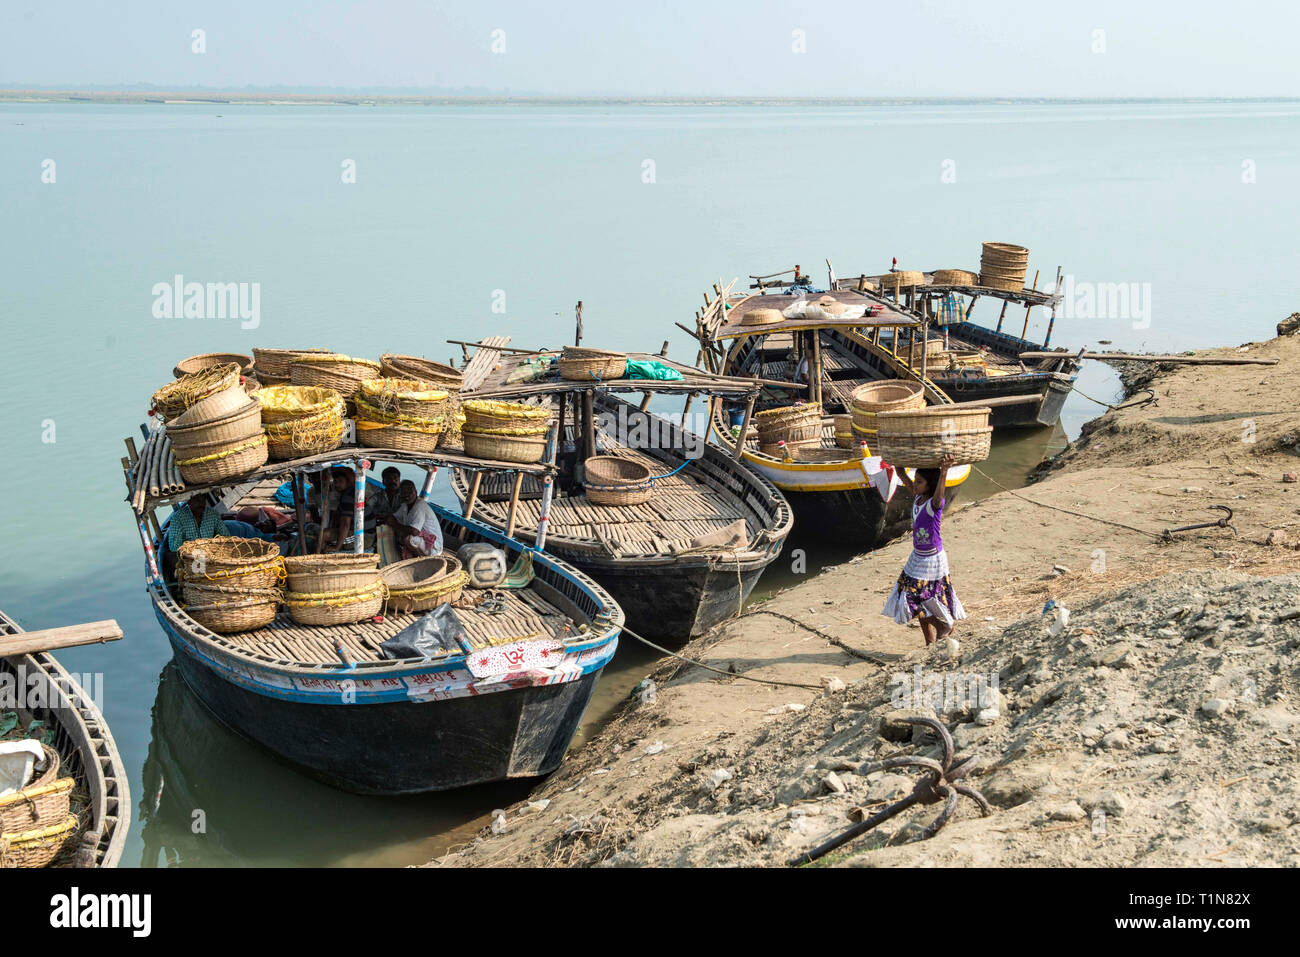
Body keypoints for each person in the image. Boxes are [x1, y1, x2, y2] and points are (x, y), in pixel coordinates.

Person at [881, 453, 966, 646]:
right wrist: (896, 457)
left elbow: (940, 494)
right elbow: (901, 473)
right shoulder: (918, 497)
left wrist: (944, 471)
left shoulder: (934, 504)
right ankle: (930, 643)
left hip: (932, 559)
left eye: (919, 482)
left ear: (930, 485)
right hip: (917, 557)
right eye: (916, 481)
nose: (915, 484)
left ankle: (943, 626)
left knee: (914, 599)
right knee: (919, 601)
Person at [386, 479, 443, 558]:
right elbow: (393, 517)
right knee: (398, 533)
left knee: (409, 538)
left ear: (415, 492)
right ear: (400, 494)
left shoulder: (419, 506)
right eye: (404, 493)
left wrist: (395, 524)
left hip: (433, 547)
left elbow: (414, 531)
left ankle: (421, 558)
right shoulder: (405, 506)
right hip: (422, 541)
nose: (407, 495)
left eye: (410, 492)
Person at [317, 467, 356, 553]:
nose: (337, 485)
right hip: (354, 531)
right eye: (335, 482)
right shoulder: (348, 493)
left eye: (341, 481)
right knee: (323, 533)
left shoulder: (348, 496)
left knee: (323, 535)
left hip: (364, 536)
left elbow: (345, 524)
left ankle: (319, 557)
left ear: (348, 482)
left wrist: (336, 547)